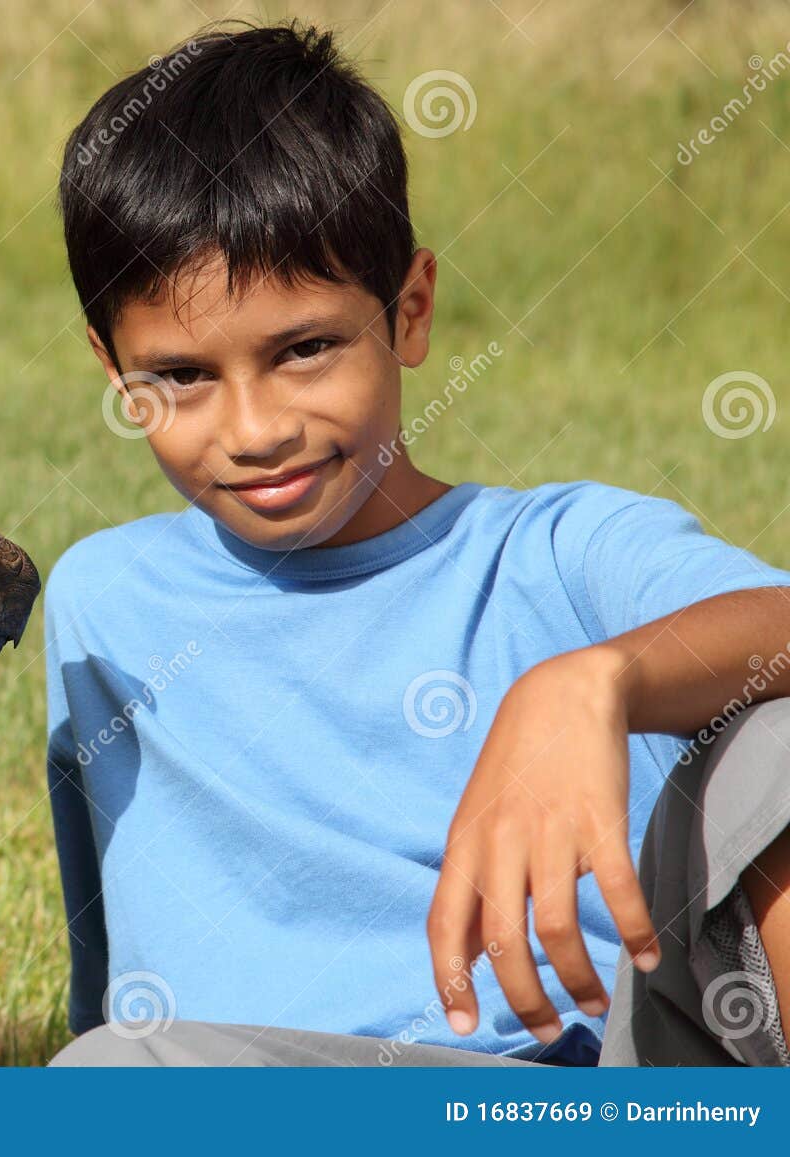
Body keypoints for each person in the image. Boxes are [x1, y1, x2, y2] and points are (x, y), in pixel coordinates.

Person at [42, 20, 790, 1066]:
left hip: (623, 1083)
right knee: (115, 1071)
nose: (255, 430)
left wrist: (588, 682)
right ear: (112, 370)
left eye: (305, 349)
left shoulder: (560, 549)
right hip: (305, 1094)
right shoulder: (106, 605)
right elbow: (125, 988)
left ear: (411, 309)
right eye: (180, 375)